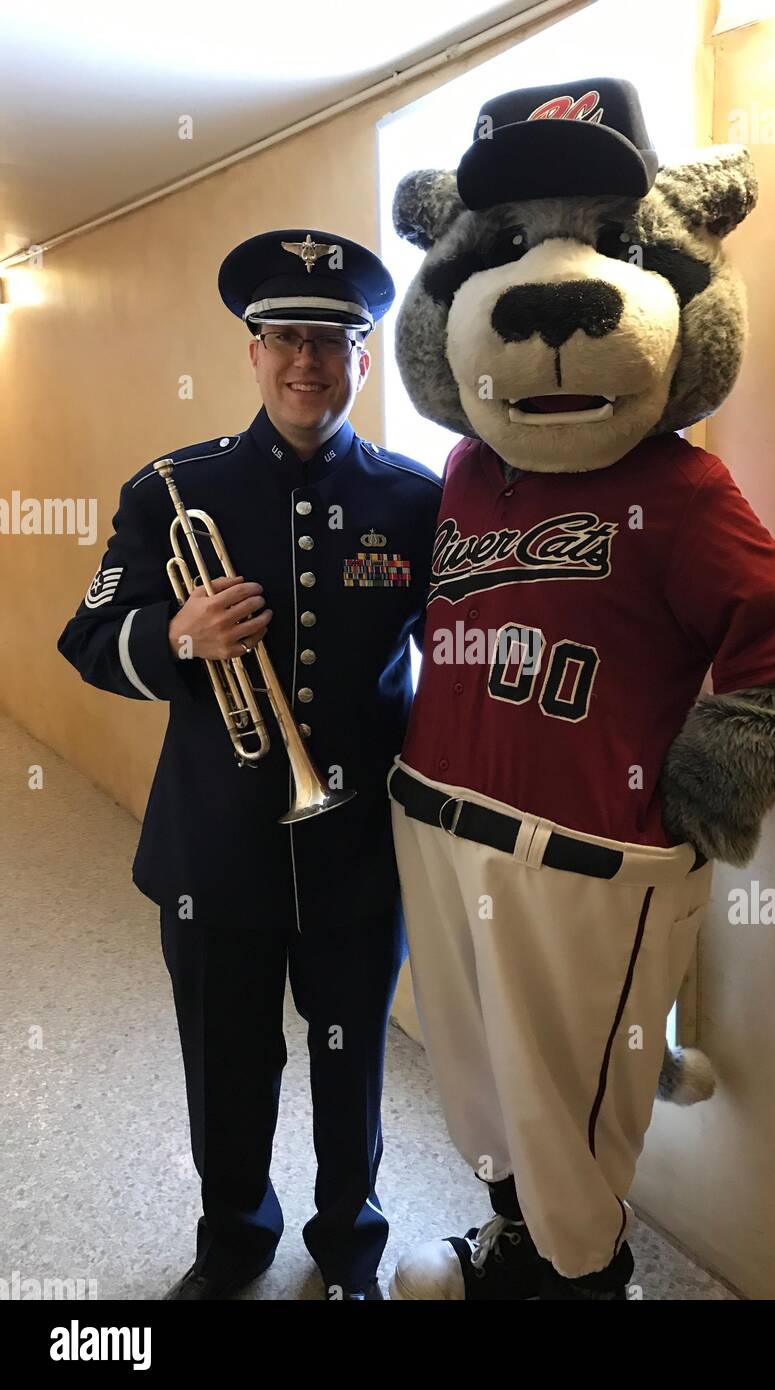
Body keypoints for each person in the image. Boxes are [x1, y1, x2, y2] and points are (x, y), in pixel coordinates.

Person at [58, 229, 442, 1300]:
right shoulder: (171, 489)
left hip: (359, 848)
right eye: (283, 338)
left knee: (349, 1064)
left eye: (331, 340)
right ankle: (234, 1241)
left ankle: (350, 1248)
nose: (306, 362)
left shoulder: (415, 502)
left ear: (364, 355)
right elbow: (85, 641)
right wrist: (177, 636)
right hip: (212, 847)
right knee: (226, 1065)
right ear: (252, 349)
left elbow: (449, 662)